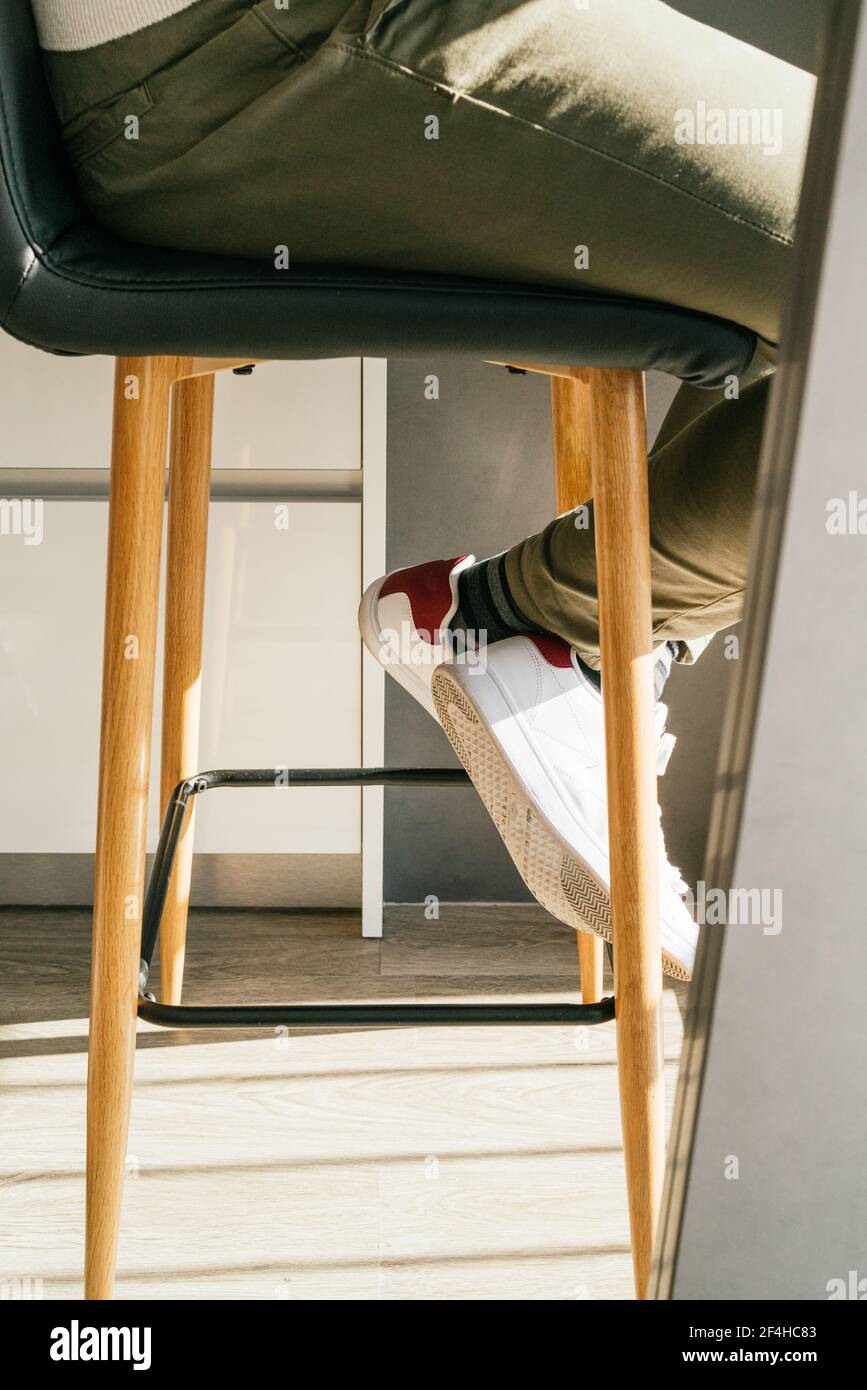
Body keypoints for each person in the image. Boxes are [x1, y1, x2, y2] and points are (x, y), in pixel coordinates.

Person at [32, 0, 815, 978]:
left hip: (234, 55)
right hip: (252, 57)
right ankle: (546, 627)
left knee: (832, 263)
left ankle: (580, 641)